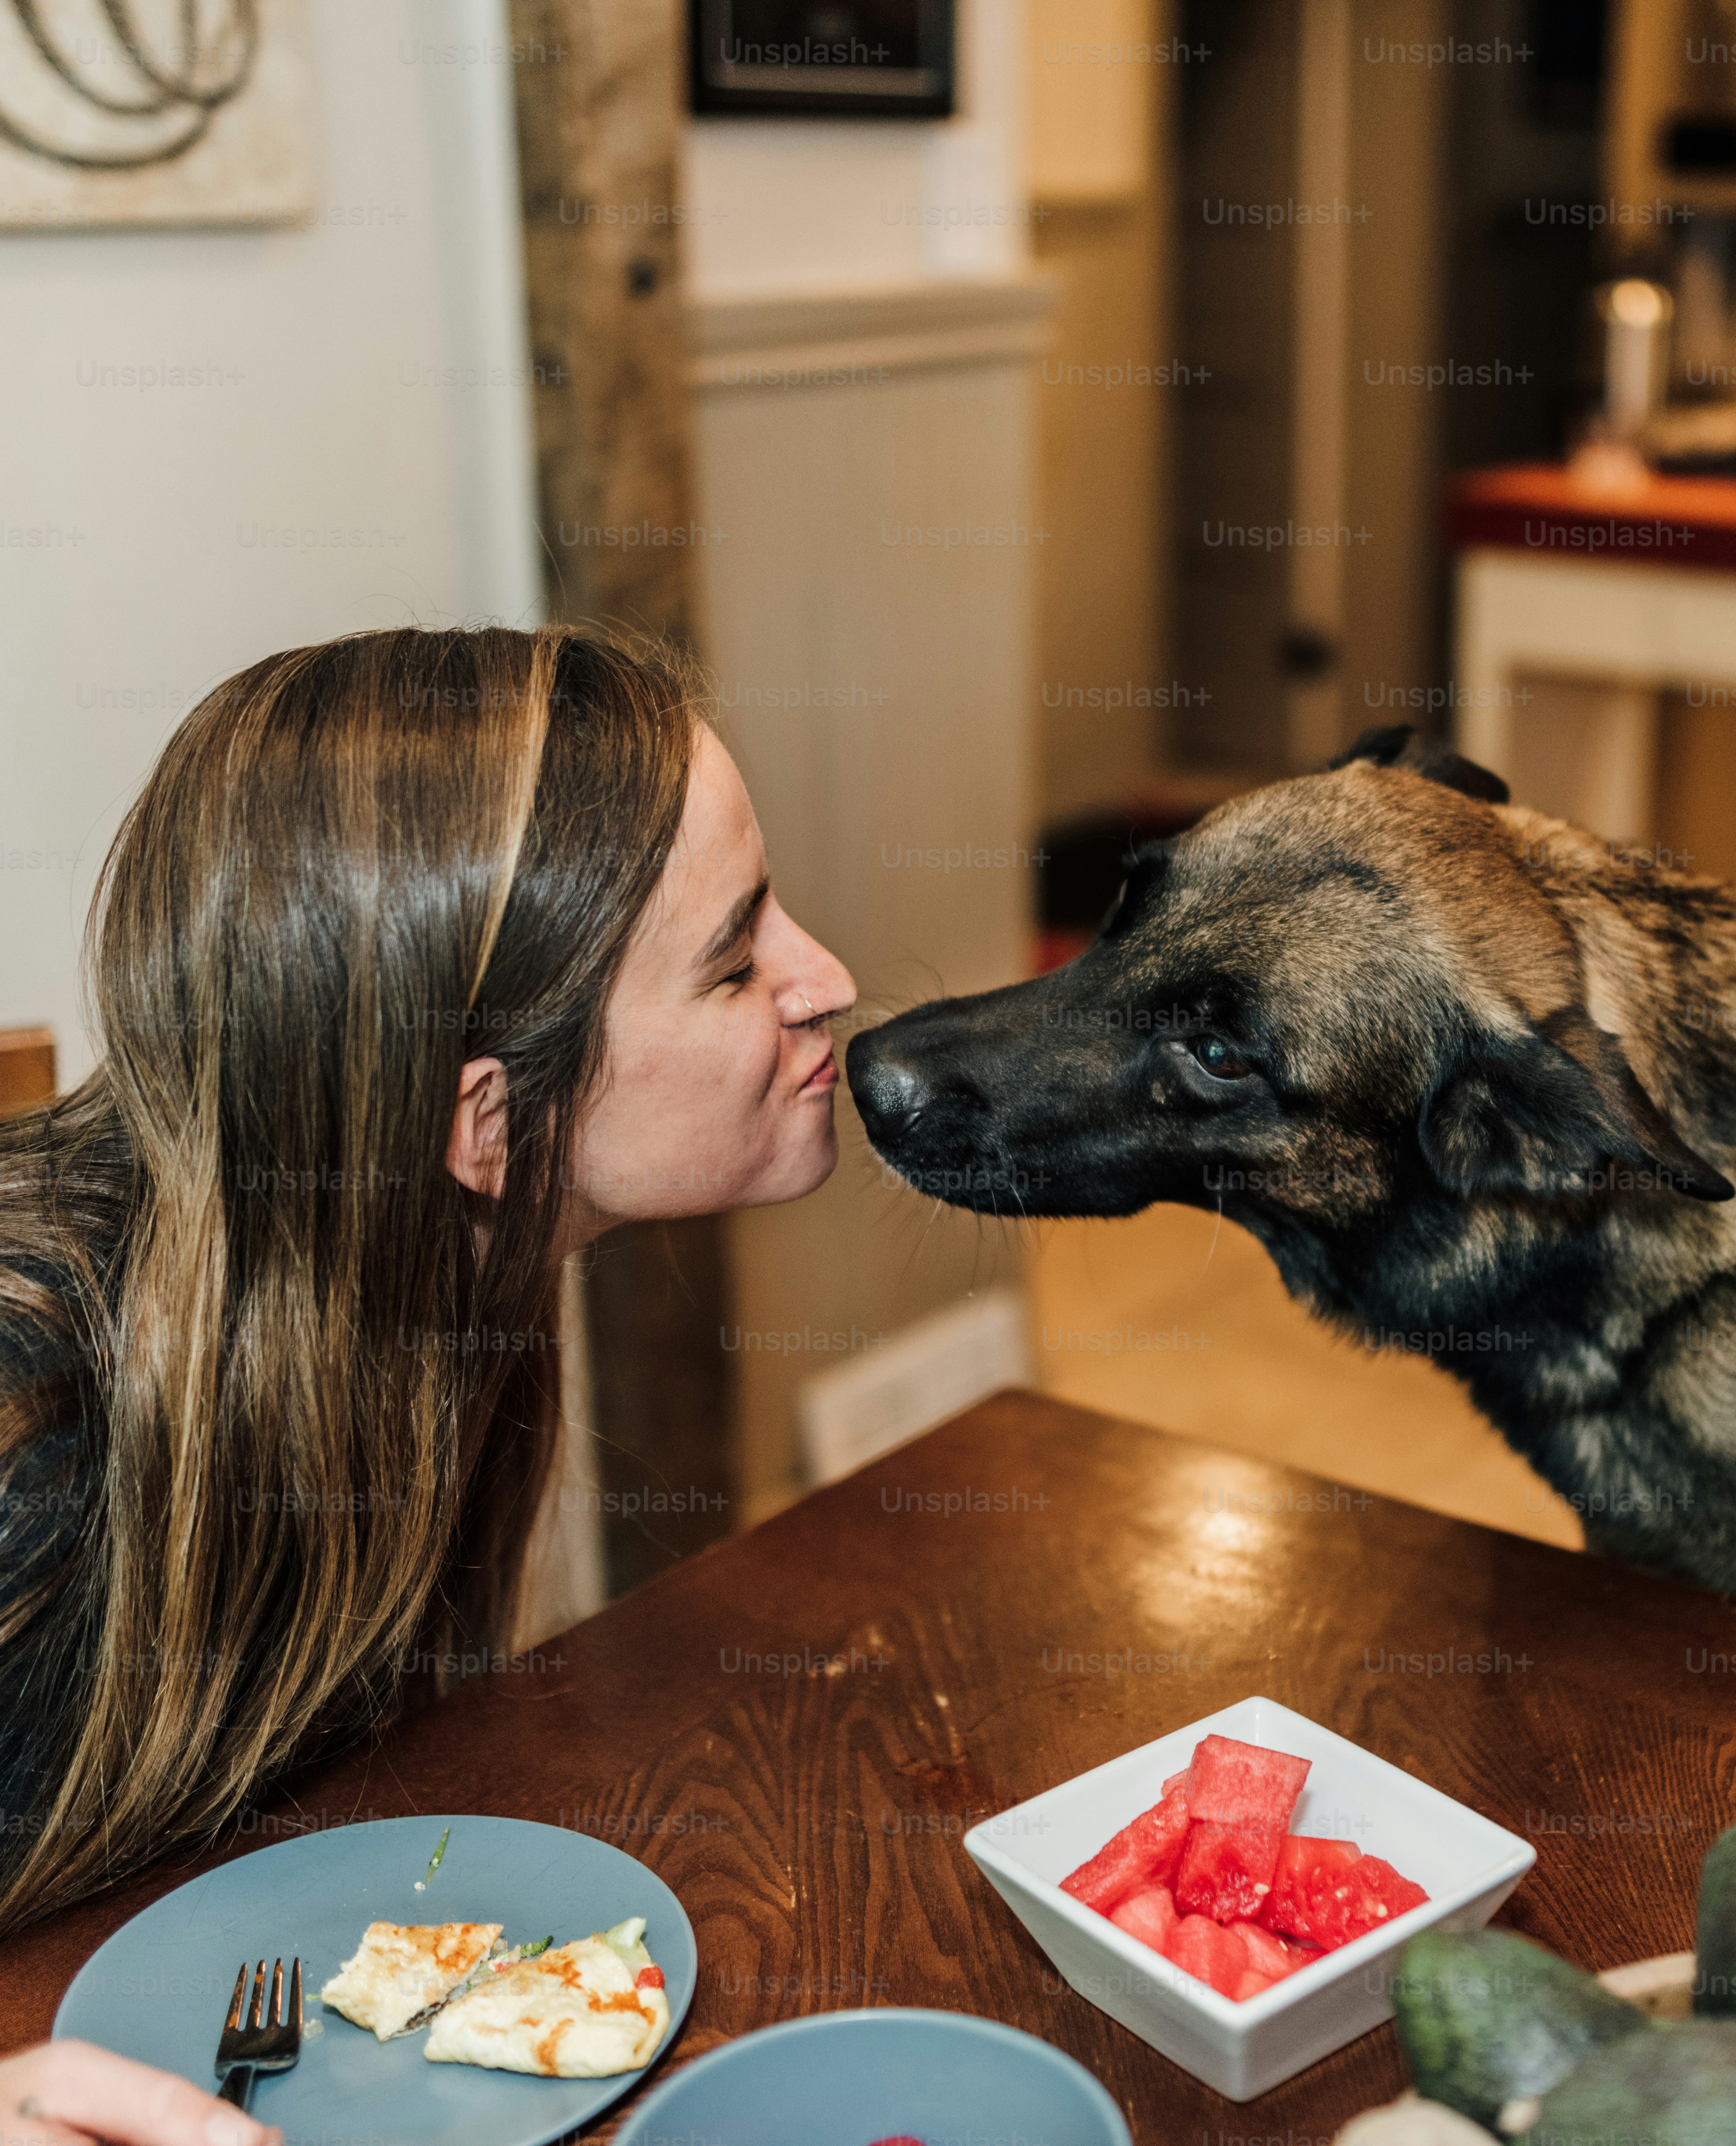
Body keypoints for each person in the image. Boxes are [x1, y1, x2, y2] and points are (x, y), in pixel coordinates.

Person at [0, 626, 854, 2101]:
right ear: (488, 1127)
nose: (825, 980)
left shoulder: (416, 1279)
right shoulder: (32, 1419)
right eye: (733, 963)